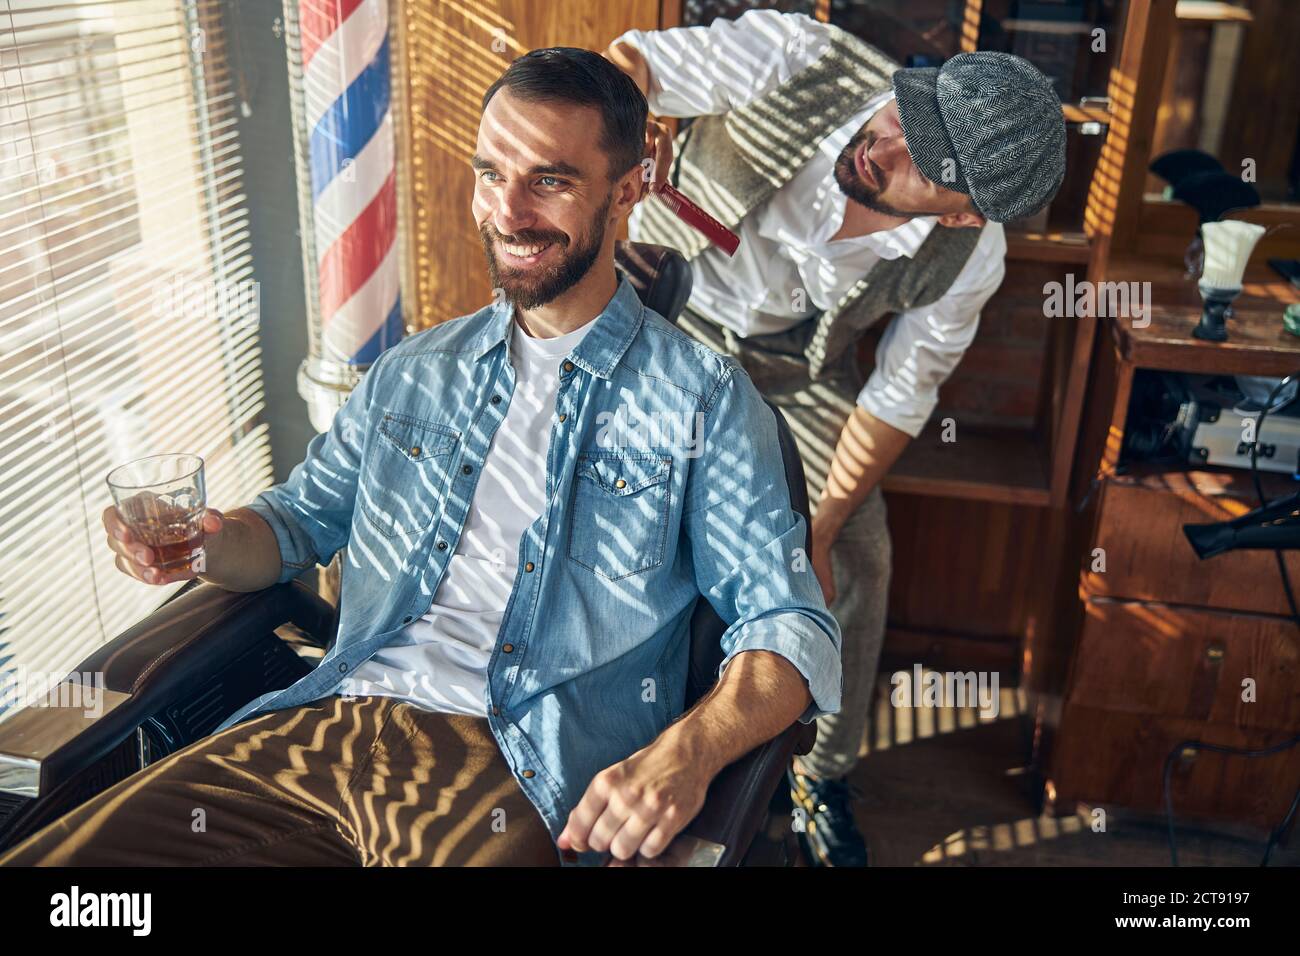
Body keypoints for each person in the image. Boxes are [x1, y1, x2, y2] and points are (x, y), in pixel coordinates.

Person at [0, 47, 840, 868]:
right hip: (317, 730)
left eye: (549, 181)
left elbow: (787, 622)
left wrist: (686, 754)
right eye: (491, 174)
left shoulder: (703, 401)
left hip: (513, 769)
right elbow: (290, 528)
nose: (508, 212)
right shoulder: (412, 372)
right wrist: (200, 545)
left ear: (625, 191)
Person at [605, 9, 1067, 866]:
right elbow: (626, 64)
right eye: (906, 114)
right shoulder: (802, 58)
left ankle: (820, 774)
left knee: (855, 554)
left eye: (926, 164)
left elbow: (900, 392)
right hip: (653, 315)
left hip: (795, 368)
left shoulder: (971, 258)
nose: (883, 147)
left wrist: (817, 529)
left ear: (963, 216)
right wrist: (619, 155)